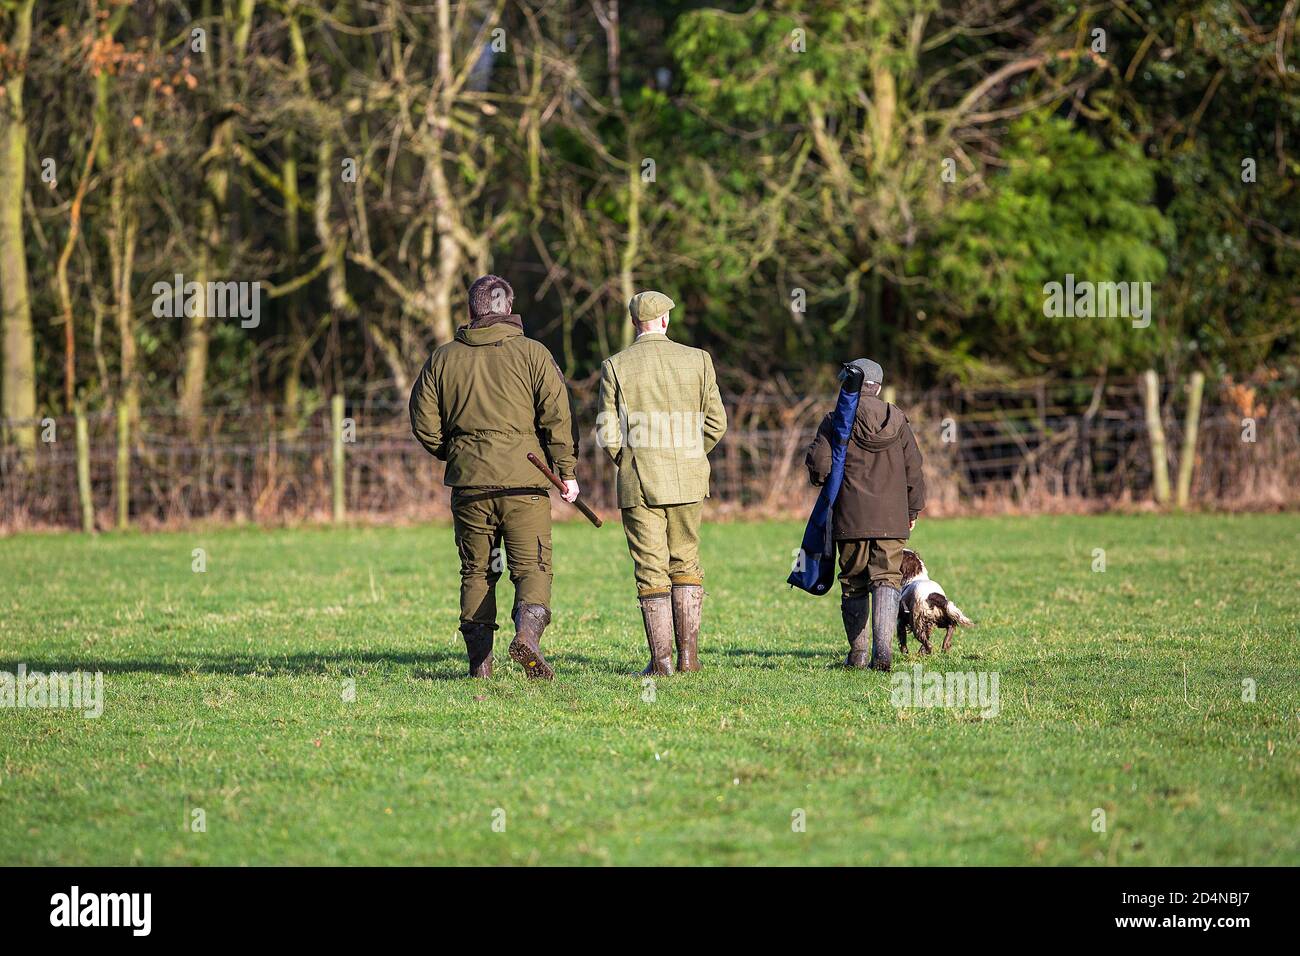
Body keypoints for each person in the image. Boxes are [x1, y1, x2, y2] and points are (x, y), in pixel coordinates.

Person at [409, 274, 579, 679]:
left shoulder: (442, 358)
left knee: (479, 571)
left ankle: (479, 669)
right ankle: (528, 637)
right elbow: (558, 417)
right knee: (532, 567)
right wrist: (567, 471)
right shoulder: (535, 354)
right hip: (527, 483)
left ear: (471, 311)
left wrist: (457, 454)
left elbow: (423, 421)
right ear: (509, 307)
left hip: (470, 487)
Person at [597, 291, 728, 675]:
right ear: (665, 320)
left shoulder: (615, 365)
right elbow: (717, 423)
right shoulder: (699, 360)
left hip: (639, 481)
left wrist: (629, 461)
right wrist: (691, 453)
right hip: (689, 478)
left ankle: (662, 663)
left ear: (634, 323)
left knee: (650, 570)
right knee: (686, 561)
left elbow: (608, 431)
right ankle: (689, 659)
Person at [804, 359, 925, 671]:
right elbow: (914, 468)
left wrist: (821, 480)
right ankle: (883, 655)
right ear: (879, 388)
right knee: (887, 579)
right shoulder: (897, 418)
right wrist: (912, 509)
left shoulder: (836, 420)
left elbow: (820, 465)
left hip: (850, 519)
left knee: (855, 583)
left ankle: (858, 656)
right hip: (892, 519)